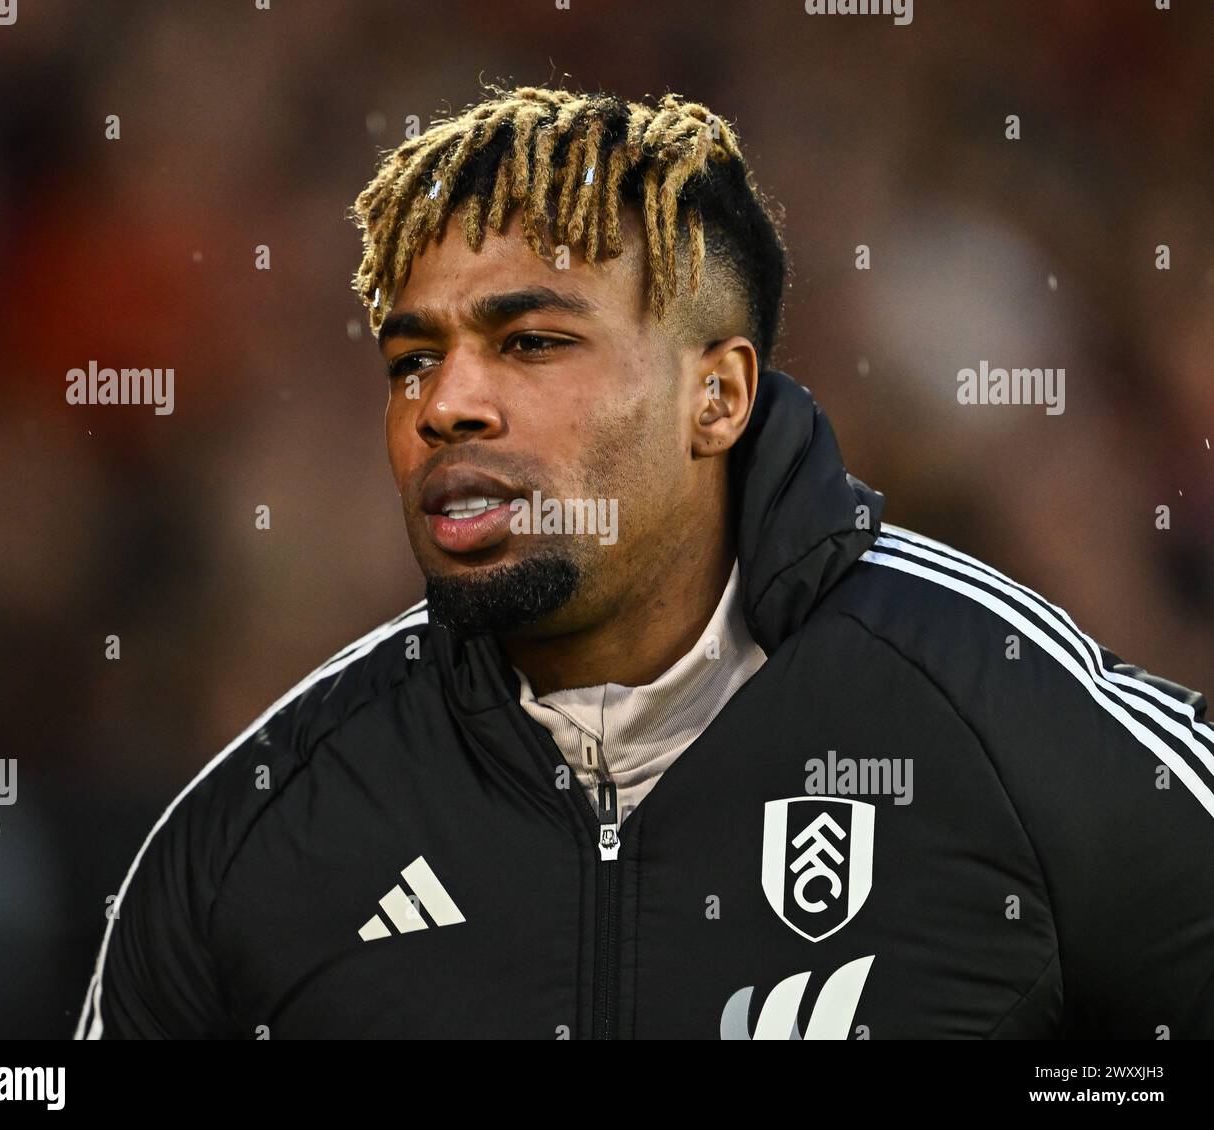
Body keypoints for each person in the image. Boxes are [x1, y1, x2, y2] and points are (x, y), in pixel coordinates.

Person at [75, 85, 1214, 1040]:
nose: (447, 404)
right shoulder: (259, 834)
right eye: (413, 357)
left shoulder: (1001, 713)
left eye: (532, 342)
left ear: (714, 396)